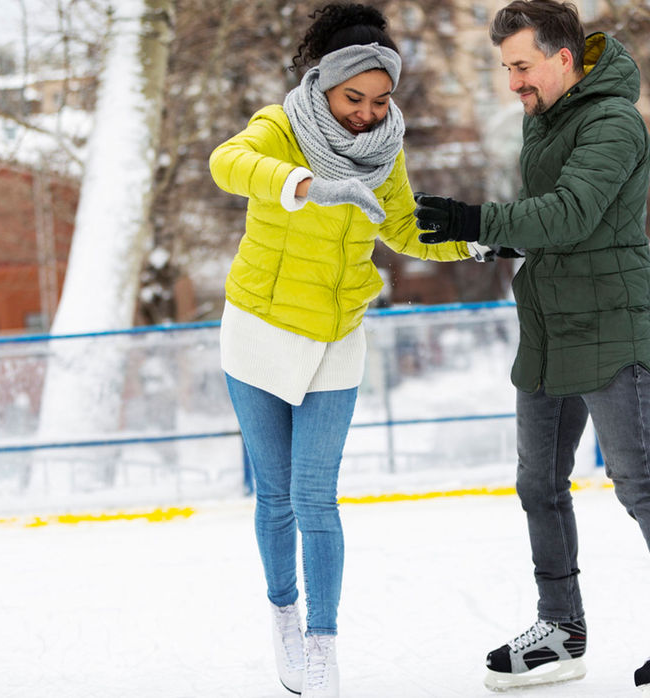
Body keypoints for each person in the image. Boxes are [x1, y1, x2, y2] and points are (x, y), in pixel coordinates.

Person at [411, 2, 650, 696]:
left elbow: (574, 212)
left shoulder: (614, 120)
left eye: (521, 67)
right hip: (551, 324)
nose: (513, 83)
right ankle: (561, 629)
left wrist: (479, 215)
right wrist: (487, 236)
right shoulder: (545, 119)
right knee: (539, 485)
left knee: (638, 480)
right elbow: (555, 224)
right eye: (506, 68)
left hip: (609, 323)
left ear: (564, 57)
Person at [208, 4, 480, 696]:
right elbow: (227, 162)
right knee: (276, 497)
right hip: (261, 329)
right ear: (323, 85)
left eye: (379, 100)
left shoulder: (385, 148)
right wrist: (303, 183)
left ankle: (323, 644)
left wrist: (480, 235)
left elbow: (407, 229)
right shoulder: (281, 127)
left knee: (315, 495)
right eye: (353, 98)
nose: (365, 112)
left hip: (335, 336)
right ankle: (284, 617)